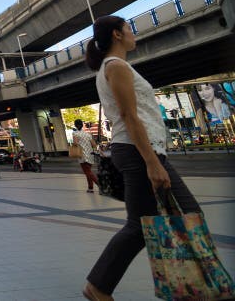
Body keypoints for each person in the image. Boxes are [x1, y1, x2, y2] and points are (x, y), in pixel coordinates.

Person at [82, 15, 203, 301]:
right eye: (128, 29)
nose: (133, 34)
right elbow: (128, 116)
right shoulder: (116, 66)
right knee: (149, 223)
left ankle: (192, 283)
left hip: (141, 150)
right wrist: (151, 161)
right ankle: (98, 286)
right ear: (117, 34)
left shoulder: (113, 67)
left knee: (179, 216)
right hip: (138, 152)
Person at [73, 119, 99, 193]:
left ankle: (100, 185)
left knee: (87, 172)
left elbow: (75, 143)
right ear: (82, 125)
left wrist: (75, 144)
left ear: (75, 125)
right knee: (89, 171)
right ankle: (90, 188)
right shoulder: (88, 134)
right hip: (90, 154)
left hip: (82, 154)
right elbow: (94, 145)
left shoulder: (75, 133)